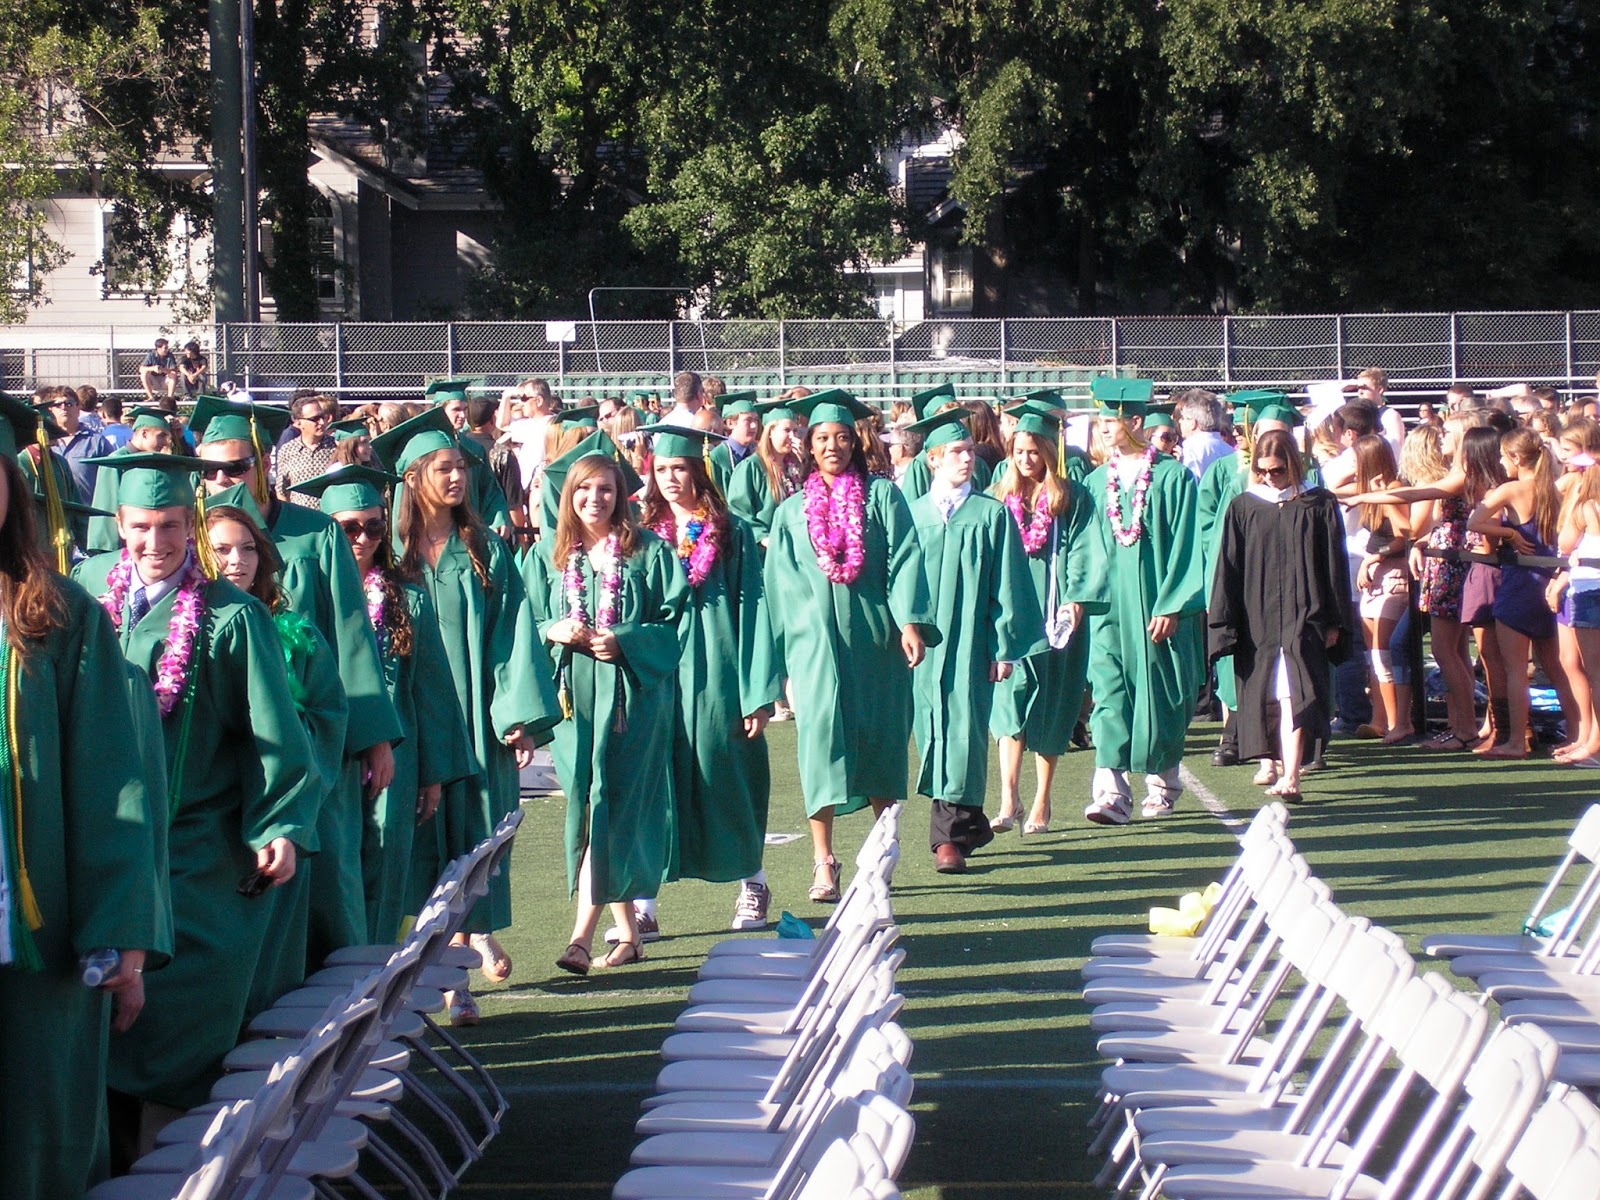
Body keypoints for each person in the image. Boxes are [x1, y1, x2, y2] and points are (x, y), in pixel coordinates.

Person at [72, 453, 315, 1141]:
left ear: (194, 524)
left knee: (178, 1048)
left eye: (173, 525)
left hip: (199, 864)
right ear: (119, 524)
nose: (158, 543)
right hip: (105, 859)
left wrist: (281, 824)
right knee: (93, 1046)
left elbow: (276, 737)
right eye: (143, 527)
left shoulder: (231, 619)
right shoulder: (87, 605)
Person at [0, 398, 167, 1200]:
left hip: (40, 942)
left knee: (41, 1141)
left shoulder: (58, 616)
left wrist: (122, 933)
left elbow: (115, 785)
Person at [378, 409, 559, 1019]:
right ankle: (448, 959)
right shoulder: (387, 552)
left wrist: (516, 714)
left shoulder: (481, 547)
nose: (458, 477)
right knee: (423, 844)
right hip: (411, 721)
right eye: (444, 467)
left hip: (475, 717)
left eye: (461, 466)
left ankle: (457, 969)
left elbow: (512, 631)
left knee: (472, 841)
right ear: (412, 478)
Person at [290, 464, 473, 943]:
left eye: (374, 525)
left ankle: (373, 985)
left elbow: (431, 692)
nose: (363, 538)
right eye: (348, 528)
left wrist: (432, 773)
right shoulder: (300, 600)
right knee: (331, 871)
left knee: (384, 869)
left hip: (396, 758)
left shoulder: (406, 598)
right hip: (324, 757)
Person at [764, 390, 932, 901]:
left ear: (854, 442)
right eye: (821, 439)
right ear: (808, 447)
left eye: (840, 437)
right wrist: (786, 660)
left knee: (881, 739)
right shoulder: (792, 511)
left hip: (875, 640)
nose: (832, 445)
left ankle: (883, 850)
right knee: (819, 745)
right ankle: (824, 860)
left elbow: (905, 559)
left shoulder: (882, 497)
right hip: (816, 648)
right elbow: (781, 586)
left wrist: (909, 621)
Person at [525, 453, 687, 973]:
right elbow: (523, 619)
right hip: (573, 703)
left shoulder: (650, 554)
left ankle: (580, 936)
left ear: (621, 495)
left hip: (631, 703)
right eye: (584, 490)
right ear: (567, 496)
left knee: (611, 803)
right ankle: (630, 932)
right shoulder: (547, 557)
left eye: (606, 490)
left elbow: (675, 625)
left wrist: (627, 641)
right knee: (591, 803)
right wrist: (554, 629)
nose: (595, 499)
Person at [204, 499, 348, 1016]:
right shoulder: (187, 631)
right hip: (207, 816)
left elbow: (330, 715)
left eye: (248, 550)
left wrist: (281, 727)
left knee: (272, 965)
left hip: (277, 813)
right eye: (221, 549)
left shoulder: (298, 635)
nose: (236, 560)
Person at [636, 427, 779, 932]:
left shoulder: (730, 529)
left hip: (719, 667)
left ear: (698, 471)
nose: (670, 479)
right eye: (660, 470)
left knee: (726, 769)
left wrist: (758, 691)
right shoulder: (639, 532)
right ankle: (644, 904)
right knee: (656, 779)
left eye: (679, 469)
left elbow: (754, 606)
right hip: (657, 668)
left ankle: (753, 881)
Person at [904, 407, 1039, 872]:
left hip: (971, 644)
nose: (967, 459)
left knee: (963, 731)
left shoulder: (991, 515)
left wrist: (1005, 647)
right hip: (923, 645)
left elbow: (1008, 584)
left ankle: (950, 837)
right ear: (934, 459)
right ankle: (969, 822)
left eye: (969, 451)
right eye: (956, 452)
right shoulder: (912, 515)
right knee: (931, 731)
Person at [1081, 376, 1207, 824]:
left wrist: (1174, 602)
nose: (1102, 429)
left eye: (1109, 421)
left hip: (1157, 605)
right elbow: (1087, 546)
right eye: (1098, 422)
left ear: (1135, 421)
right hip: (1110, 608)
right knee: (1110, 692)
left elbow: (1188, 545)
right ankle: (1111, 793)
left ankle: (1163, 784)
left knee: (1161, 695)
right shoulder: (1097, 482)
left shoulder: (1172, 478)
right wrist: (1081, 598)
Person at [1209, 430, 1355, 801]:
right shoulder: (1245, 506)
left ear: (1292, 464)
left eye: (1277, 470)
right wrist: (1226, 624)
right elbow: (1229, 568)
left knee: (1296, 691)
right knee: (1267, 691)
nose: (1270, 477)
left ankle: (1291, 775)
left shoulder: (1317, 503)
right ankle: (1272, 764)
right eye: (1263, 471)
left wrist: (1336, 619)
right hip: (1257, 615)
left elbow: (1333, 565)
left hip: (1307, 611)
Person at [989, 399, 1106, 835]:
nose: (1026, 459)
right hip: (1016, 609)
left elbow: (1085, 551)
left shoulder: (1072, 498)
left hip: (1056, 610)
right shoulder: (1000, 497)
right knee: (1010, 700)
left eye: (1034, 451)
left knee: (1054, 701)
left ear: (1049, 452)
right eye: (1019, 451)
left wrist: (1076, 598)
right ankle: (1008, 797)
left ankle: (1041, 800)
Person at [1467, 428, 1574, 758]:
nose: (1500, 461)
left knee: (1516, 670)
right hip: (1548, 583)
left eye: (1503, 456)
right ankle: (1578, 731)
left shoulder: (1511, 489)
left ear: (1516, 458)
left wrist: (1508, 534)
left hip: (1519, 585)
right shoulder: (1553, 489)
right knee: (1557, 668)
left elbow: (1474, 521)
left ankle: (1515, 740)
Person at [1351, 434, 1414, 742]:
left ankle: (1396, 720)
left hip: (1394, 574)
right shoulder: (1367, 491)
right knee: (1372, 652)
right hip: (1374, 576)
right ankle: (1379, 718)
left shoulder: (1395, 489)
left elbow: (1405, 534)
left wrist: (1374, 558)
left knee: (1383, 651)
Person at [727, 398, 805, 548]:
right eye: (787, 430)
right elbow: (738, 511)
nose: (793, 437)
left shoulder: (795, 467)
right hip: (764, 553)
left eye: (795, 431)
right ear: (770, 432)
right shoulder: (751, 467)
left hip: (794, 547)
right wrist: (763, 537)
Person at [37, 385, 111, 502]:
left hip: (87, 514)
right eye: (58, 405)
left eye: (69, 404)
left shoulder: (97, 442)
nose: (64, 408)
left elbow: (110, 481)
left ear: (78, 408)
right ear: (50, 411)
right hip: (54, 515)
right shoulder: (42, 443)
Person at [276, 392, 338, 505]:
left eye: (322, 417)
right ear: (299, 423)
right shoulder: (287, 451)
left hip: (330, 517)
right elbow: (281, 491)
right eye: (315, 419)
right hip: (301, 518)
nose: (322, 422)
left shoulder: (337, 447)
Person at [1177, 389, 1235, 481]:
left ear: (1193, 422)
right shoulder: (1230, 451)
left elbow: (1191, 487)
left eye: (1183, 418)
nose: (1180, 421)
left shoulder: (1191, 450)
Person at [709, 391, 761, 492]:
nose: (754, 426)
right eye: (748, 420)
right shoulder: (717, 458)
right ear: (730, 423)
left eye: (755, 420)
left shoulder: (759, 452)